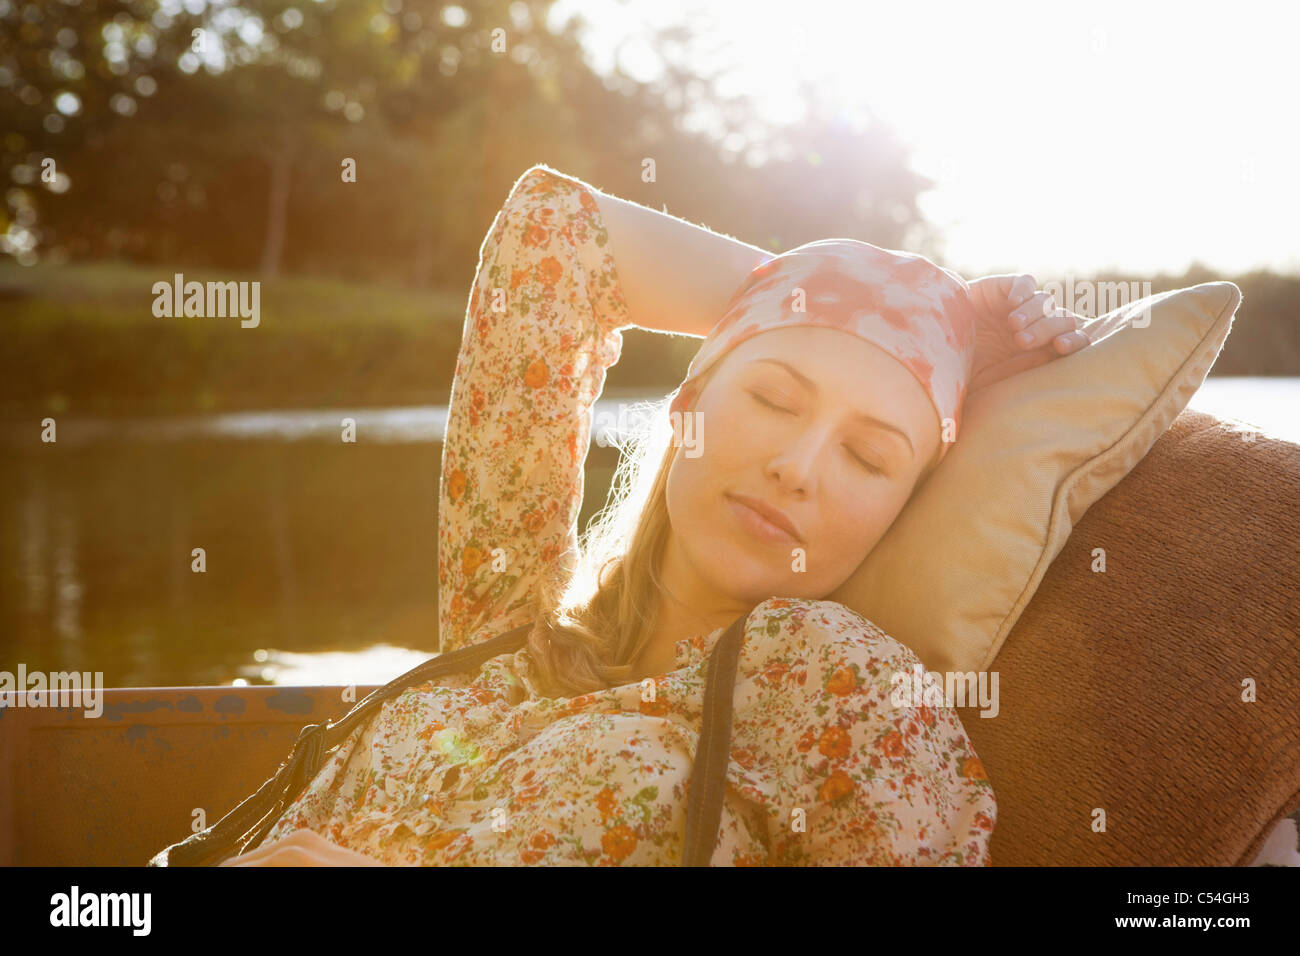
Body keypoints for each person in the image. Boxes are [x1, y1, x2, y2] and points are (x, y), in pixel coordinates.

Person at [221, 164, 1091, 867]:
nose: (797, 465)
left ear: (898, 514)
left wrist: (913, 326)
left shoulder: (837, 680)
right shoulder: (509, 622)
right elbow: (551, 234)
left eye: (869, 458)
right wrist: (849, 294)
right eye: (774, 397)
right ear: (688, 406)